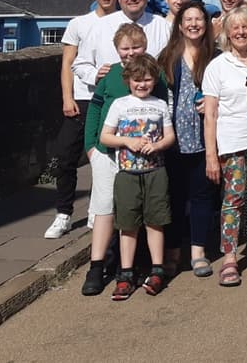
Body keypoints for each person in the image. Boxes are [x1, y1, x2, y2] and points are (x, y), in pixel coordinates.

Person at [80, 25, 170, 296]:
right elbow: (95, 109)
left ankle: (138, 266)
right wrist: (90, 146)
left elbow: (163, 114)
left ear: (145, 47)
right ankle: (97, 267)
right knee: (104, 207)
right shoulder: (109, 76)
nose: (131, 53)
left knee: (140, 210)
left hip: (145, 159)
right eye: (125, 48)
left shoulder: (155, 75)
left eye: (136, 47)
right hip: (108, 152)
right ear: (117, 49)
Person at [45, 0, 118, 240]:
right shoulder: (79, 23)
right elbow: (67, 62)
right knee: (65, 157)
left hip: (108, 100)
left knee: (103, 158)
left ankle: (95, 210)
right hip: (82, 98)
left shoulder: (122, 23)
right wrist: (67, 97)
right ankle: (63, 213)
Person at [100, 53, 177, 300]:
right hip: (127, 173)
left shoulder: (160, 105)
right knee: (128, 224)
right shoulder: (119, 105)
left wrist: (157, 146)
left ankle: (156, 270)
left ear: (154, 81)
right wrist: (128, 141)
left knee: (155, 221)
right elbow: (105, 137)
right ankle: (126, 273)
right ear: (128, 81)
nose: (142, 85)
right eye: (137, 80)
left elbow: (169, 136)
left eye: (147, 80)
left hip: (155, 171)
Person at [202, 6, 247, 287]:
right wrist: (211, 155)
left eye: (245, 28)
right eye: (235, 28)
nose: (240, 33)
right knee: (234, 199)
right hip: (232, 143)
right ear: (227, 33)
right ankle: (230, 257)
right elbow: (211, 114)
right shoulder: (217, 66)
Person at [157, 0, 218, 277]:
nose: (194, 24)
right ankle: (172, 252)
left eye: (199, 19)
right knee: (174, 196)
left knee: (202, 196)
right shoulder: (167, 57)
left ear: (206, 25)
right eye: (188, 20)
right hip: (173, 139)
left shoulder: (215, 57)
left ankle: (198, 252)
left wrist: (214, 105)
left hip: (204, 138)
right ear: (180, 25)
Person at [73, 0, 171, 89]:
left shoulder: (163, 26)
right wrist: (95, 75)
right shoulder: (100, 26)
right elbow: (80, 64)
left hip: (153, 96)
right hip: (112, 95)